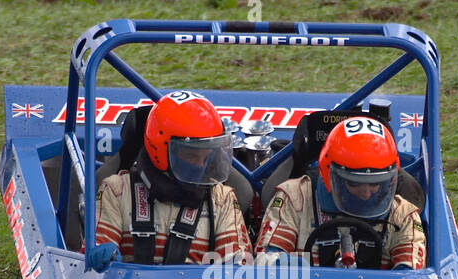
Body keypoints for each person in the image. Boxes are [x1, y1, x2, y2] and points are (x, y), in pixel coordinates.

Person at [88, 90, 252, 268]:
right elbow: (96, 250)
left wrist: (239, 263)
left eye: (207, 156)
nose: (201, 164)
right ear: (160, 149)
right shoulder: (116, 191)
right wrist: (103, 254)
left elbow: (239, 267)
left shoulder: (222, 198)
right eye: (191, 155)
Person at [255, 115, 425, 269]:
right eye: (354, 183)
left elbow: (412, 278)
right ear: (329, 175)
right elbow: (264, 263)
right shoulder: (294, 197)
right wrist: (294, 268)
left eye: (375, 184)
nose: (366, 193)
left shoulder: (404, 215)